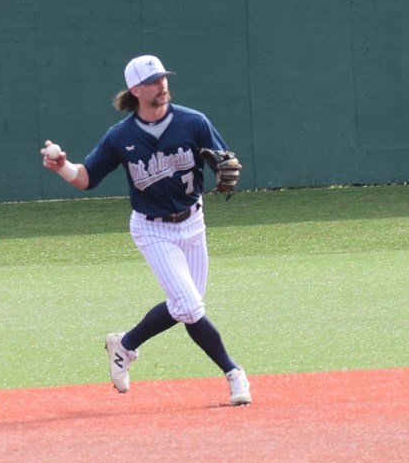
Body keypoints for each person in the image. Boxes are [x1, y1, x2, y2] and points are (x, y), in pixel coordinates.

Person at [40, 54, 251, 406]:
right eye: (153, 81)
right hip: (152, 229)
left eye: (164, 78)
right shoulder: (121, 137)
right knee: (188, 304)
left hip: (193, 222)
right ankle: (234, 373)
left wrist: (223, 165)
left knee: (187, 306)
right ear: (136, 89)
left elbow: (223, 158)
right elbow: (86, 178)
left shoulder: (193, 122)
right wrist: (62, 166)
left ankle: (124, 344)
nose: (162, 85)